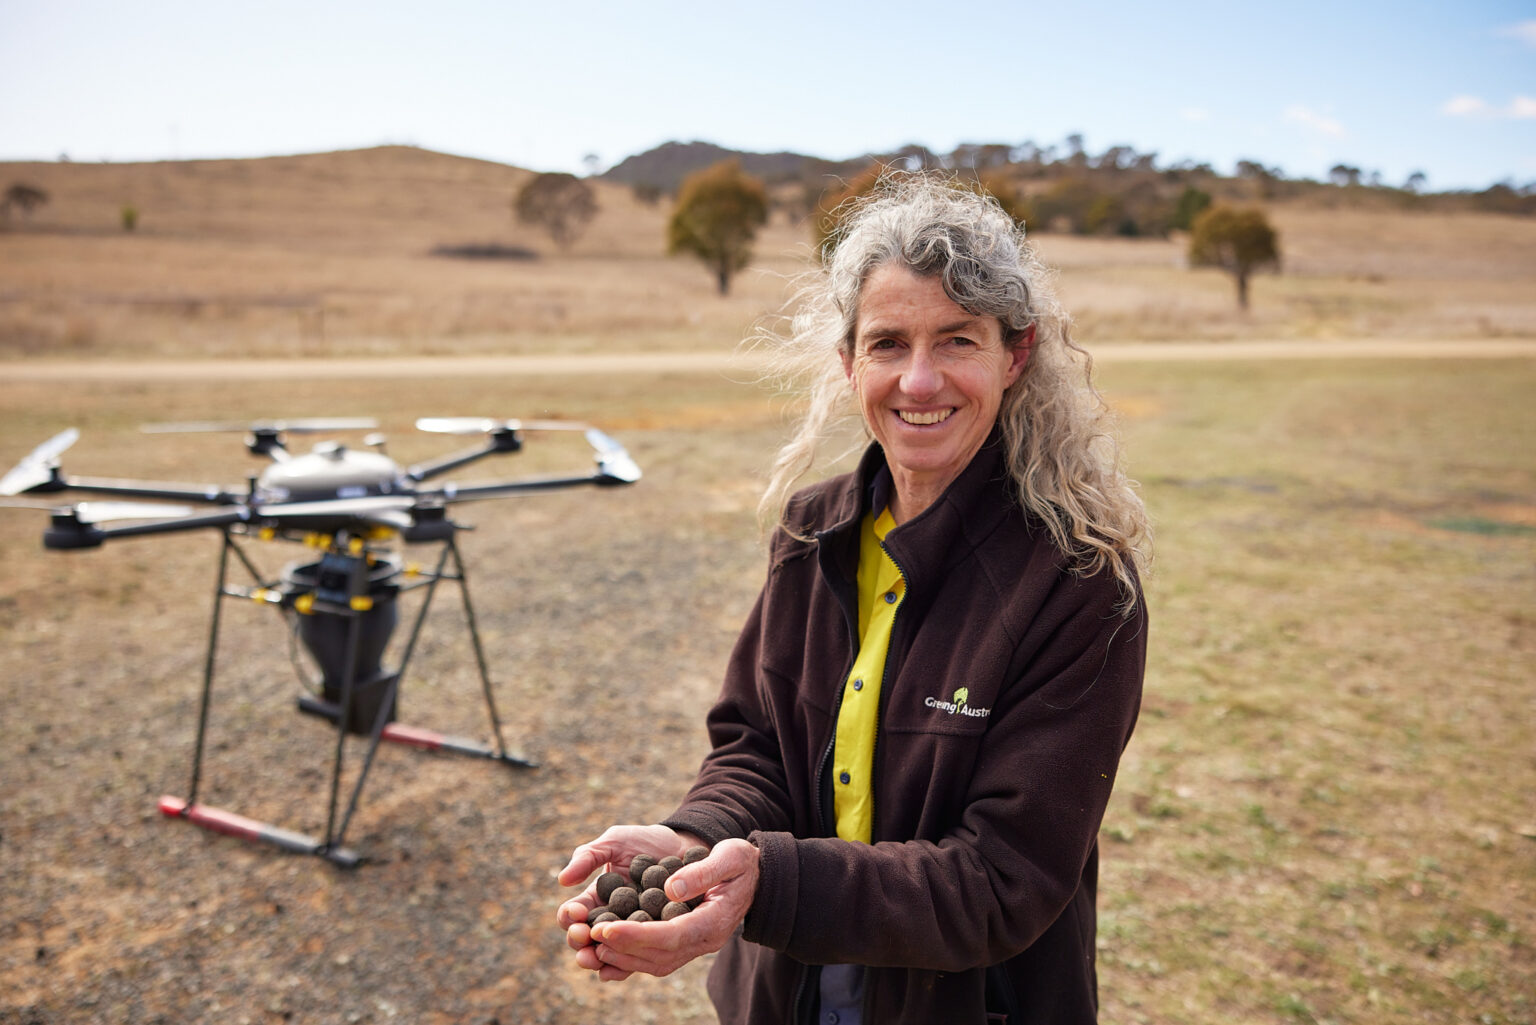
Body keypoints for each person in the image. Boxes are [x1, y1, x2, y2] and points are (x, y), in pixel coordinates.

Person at [557, 172, 1150, 1024]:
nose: (919, 380)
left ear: (1014, 355)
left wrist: (770, 882)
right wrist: (695, 839)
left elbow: (1003, 878)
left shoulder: (1078, 581)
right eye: (888, 344)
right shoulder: (812, 531)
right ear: (848, 362)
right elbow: (756, 743)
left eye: (957, 340)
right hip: (785, 993)